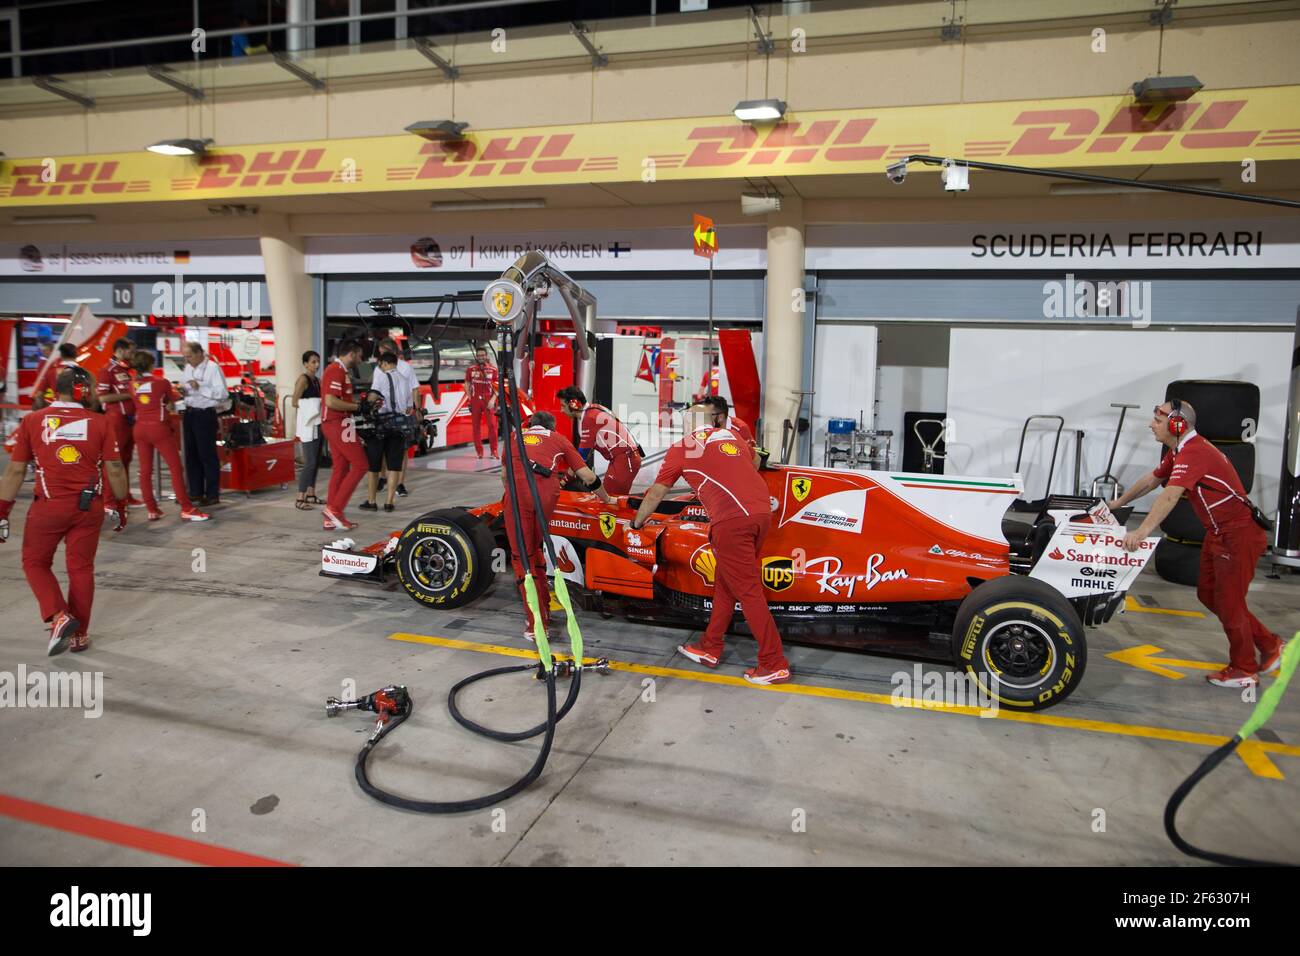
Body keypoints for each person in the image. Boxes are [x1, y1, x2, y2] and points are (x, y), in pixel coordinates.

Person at [1111, 399, 1284, 688]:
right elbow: (1152, 480)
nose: (1151, 424)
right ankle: (1270, 645)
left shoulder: (1194, 452)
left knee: (1230, 603)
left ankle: (1244, 669)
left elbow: (1169, 496)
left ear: (1177, 424)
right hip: (1219, 534)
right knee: (1208, 594)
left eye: (1157, 419)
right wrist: (1118, 503)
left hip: (1238, 535)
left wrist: (1140, 532)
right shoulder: (1180, 450)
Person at [630, 403, 791, 685]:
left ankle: (773, 662)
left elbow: (656, 493)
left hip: (732, 522)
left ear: (689, 423)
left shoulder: (683, 447)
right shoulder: (731, 437)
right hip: (761, 514)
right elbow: (753, 464)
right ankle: (710, 646)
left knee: (748, 591)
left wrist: (636, 523)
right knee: (726, 584)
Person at [0, 367, 129, 655]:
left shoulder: (33, 421)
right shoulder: (101, 422)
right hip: (88, 507)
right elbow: (116, 469)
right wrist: (119, 505)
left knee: (34, 562)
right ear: (81, 390)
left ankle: (59, 616)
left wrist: (2, 511)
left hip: (48, 508)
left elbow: (16, 470)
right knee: (81, 568)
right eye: (92, 388)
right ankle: (78, 636)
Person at [502, 410, 610, 643]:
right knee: (537, 550)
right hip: (546, 497)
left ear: (530, 424)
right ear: (551, 427)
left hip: (519, 497)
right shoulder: (559, 438)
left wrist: (511, 496)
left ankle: (536, 624)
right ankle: (545, 609)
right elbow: (587, 477)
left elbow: (504, 475)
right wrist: (607, 499)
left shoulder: (514, 438)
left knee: (522, 558)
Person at [130, 351, 209, 522]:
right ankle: (186, 508)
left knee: (145, 471)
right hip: (158, 428)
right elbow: (174, 398)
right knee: (175, 468)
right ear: (151, 365)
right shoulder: (162, 382)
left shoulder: (133, 384)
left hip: (139, 428)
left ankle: (152, 509)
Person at [320, 338, 372, 531]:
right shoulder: (335, 370)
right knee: (361, 465)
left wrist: (357, 406)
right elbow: (331, 402)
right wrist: (358, 407)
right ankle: (335, 510)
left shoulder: (342, 371)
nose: (360, 360)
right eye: (359, 356)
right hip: (338, 423)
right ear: (351, 353)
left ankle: (330, 515)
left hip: (342, 422)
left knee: (340, 468)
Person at [556, 386, 644, 496]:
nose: (561, 410)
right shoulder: (594, 408)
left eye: (563, 406)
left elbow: (578, 460)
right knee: (613, 500)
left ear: (574, 404)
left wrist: (563, 482)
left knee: (608, 503)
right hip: (626, 458)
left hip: (625, 459)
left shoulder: (589, 419)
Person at [179, 341, 229, 507]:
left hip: (204, 415)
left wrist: (200, 387)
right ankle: (195, 492)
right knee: (191, 455)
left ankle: (212, 493)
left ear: (200, 353)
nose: (188, 360)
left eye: (190, 356)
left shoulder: (213, 368)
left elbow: (222, 393)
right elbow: (186, 386)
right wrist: (182, 390)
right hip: (189, 413)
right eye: (186, 357)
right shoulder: (188, 368)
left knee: (207, 455)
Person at [359, 352, 409, 514]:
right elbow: (408, 405)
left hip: (380, 425)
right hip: (399, 425)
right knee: (394, 465)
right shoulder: (404, 379)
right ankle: (389, 502)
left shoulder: (381, 377)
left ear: (384, 363)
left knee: (374, 465)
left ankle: (372, 501)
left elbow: (372, 398)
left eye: (380, 364)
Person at [97, 337, 143, 509]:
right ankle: (109, 501)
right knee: (113, 461)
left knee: (126, 460)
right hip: (116, 420)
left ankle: (125, 496)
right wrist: (130, 394)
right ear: (121, 350)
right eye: (130, 351)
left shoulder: (129, 370)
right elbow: (102, 397)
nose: (133, 355)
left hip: (131, 421)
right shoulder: (107, 370)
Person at [374, 340, 419, 498]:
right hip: (383, 415)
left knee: (403, 450)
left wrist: (415, 408)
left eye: (382, 351)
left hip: (401, 415)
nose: (379, 355)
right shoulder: (378, 369)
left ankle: (400, 483)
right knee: (383, 448)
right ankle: (382, 477)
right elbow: (375, 390)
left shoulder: (405, 368)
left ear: (391, 350)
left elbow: (414, 388)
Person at [292, 350, 323, 511]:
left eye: (317, 361)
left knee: (316, 461)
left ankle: (311, 493)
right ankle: (300, 497)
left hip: (317, 423)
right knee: (309, 462)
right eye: (312, 362)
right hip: (308, 424)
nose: (316, 365)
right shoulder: (303, 379)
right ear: (305, 364)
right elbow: (295, 401)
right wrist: (312, 407)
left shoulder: (317, 380)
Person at [699, 395, 759, 463]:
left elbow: (752, 458)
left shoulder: (740, 428)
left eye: (707, 415)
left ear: (720, 417)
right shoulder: (702, 427)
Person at [464, 346, 499, 459]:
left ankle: (494, 451)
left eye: (482, 355)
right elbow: (467, 384)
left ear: (486, 356)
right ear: (476, 356)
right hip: (475, 400)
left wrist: (493, 400)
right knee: (475, 427)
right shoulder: (471, 369)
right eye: (478, 355)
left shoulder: (493, 369)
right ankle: (479, 451)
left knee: (492, 426)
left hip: (489, 400)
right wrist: (470, 398)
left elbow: (498, 387)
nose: (480, 357)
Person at [33, 343, 84, 411]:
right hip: (80, 412)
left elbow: (39, 395)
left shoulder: (51, 372)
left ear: (61, 355)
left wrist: (42, 409)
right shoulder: (85, 372)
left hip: (57, 411)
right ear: (76, 354)